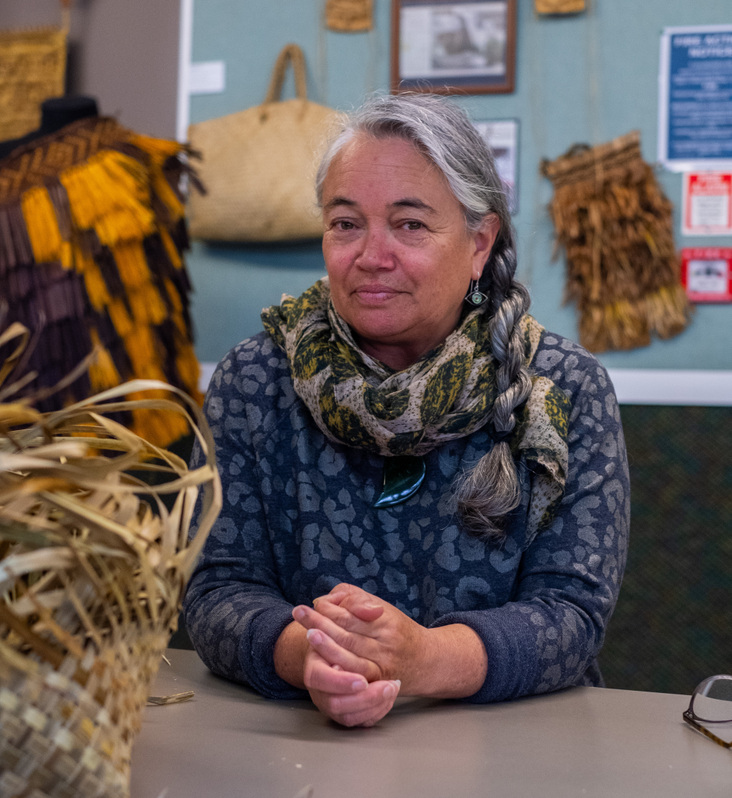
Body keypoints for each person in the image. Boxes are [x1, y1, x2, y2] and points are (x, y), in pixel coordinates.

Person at [183, 93, 630, 728]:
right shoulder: (255, 382)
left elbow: (571, 614)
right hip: (297, 745)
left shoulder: (561, 387)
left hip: (510, 749)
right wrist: (313, 656)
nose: (371, 254)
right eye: (345, 223)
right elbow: (216, 591)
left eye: (410, 224)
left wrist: (420, 659)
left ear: (480, 242)